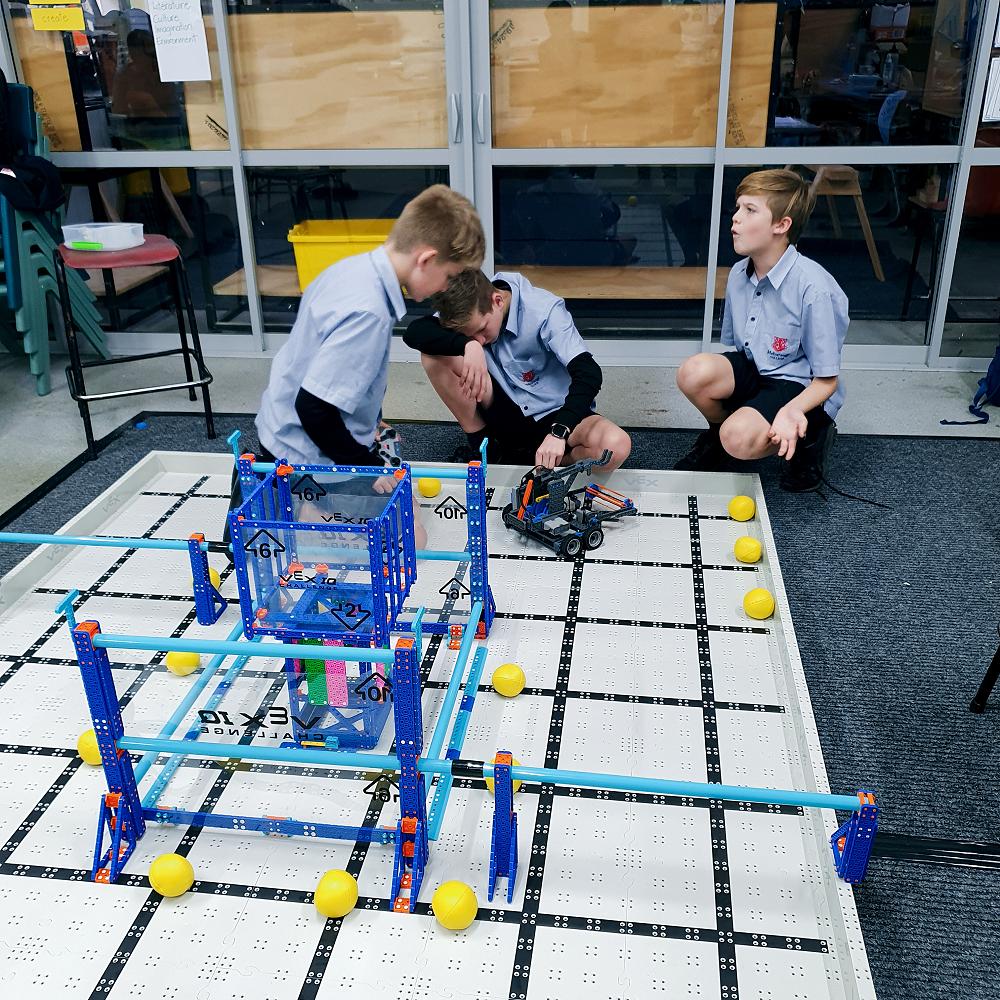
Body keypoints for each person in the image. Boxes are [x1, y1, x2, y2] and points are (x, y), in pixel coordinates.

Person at [227, 184, 485, 549]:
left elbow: (325, 371)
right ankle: (298, 513)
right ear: (426, 260)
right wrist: (368, 467)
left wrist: (368, 423)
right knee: (412, 538)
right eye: (449, 275)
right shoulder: (369, 313)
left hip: (279, 427)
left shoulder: (353, 268)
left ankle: (286, 499)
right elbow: (314, 409)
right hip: (305, 451)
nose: (445, 288)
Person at [674, 169, 848, 492]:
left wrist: (790, 409)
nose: (735, 220)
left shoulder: (814, 288)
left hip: (797, 384)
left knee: (737, 439)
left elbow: (827, 381)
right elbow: (736, 352)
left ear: (781, 226)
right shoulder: (739, 274)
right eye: (738, 208)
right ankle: (719, 434)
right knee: (692, 372)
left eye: (750, 210)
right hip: (757, 370)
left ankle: (812, 436)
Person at [403, 268, 631, 472]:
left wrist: (559, 432)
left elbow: (589, 373)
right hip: (501, 409)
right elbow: (414, 332)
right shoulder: (466, 305)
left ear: (497, 301)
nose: (480, 340)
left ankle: (549, 460)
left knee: (615, 446)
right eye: (469, 334)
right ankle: (486, 449)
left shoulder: (544, 310)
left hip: (556, 414)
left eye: (482, 330)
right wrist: (467, 345)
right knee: (433, 355)